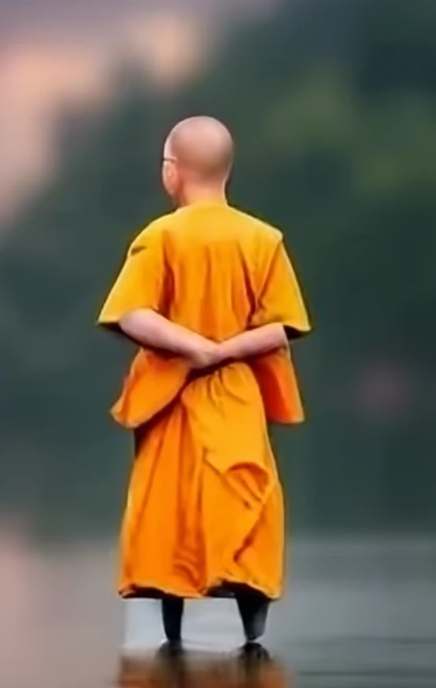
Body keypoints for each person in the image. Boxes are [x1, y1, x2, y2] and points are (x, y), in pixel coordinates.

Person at [97, 115, 311, 652]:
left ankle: (169, 630)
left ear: (174, 171)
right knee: (244, 497)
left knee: (168, 511)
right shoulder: (263, 239)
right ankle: (250, 626)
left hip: (174, 395)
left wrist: (192, 349)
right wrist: (222, 350)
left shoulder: (160, 236)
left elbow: (131, 315)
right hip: (236, 396)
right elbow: (282, 326)